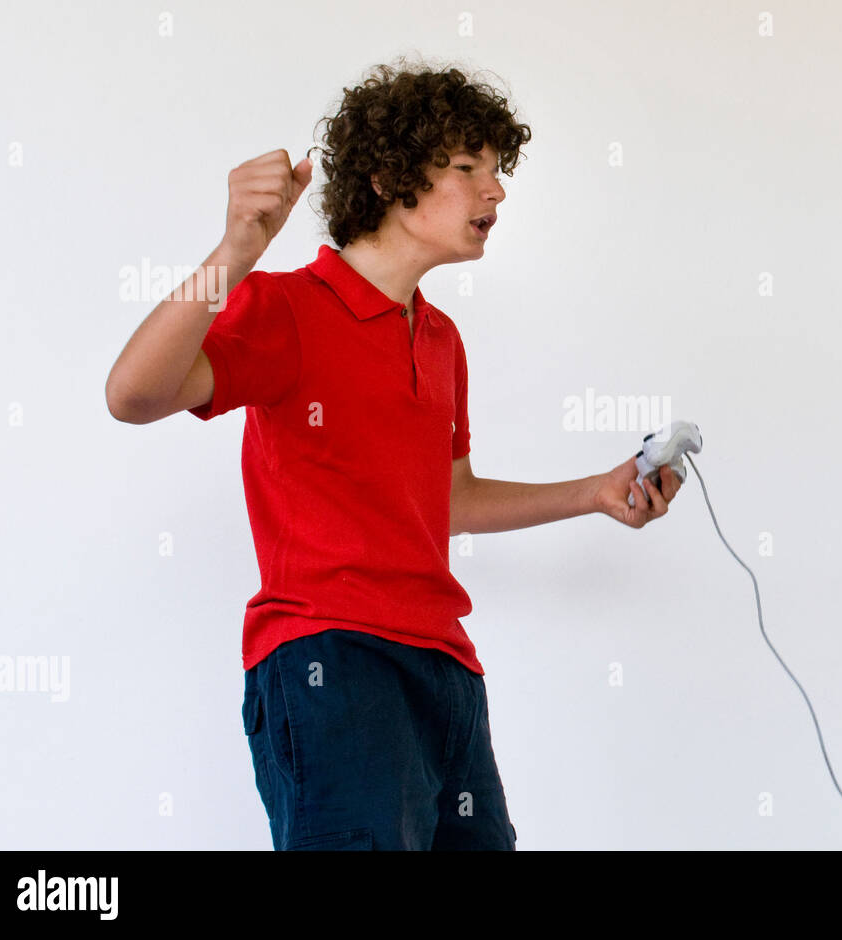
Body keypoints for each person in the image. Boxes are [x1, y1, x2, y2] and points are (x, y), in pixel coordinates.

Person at [104, 58, 682, 850]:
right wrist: (236, 249)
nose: (496, 191)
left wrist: (594, 492)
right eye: (468, 168)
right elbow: (131, 395)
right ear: (387, 178)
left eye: (497, 170)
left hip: (446, 672)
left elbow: (445, 500)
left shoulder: (441, 339)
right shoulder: (286, 310)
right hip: (332, 661)